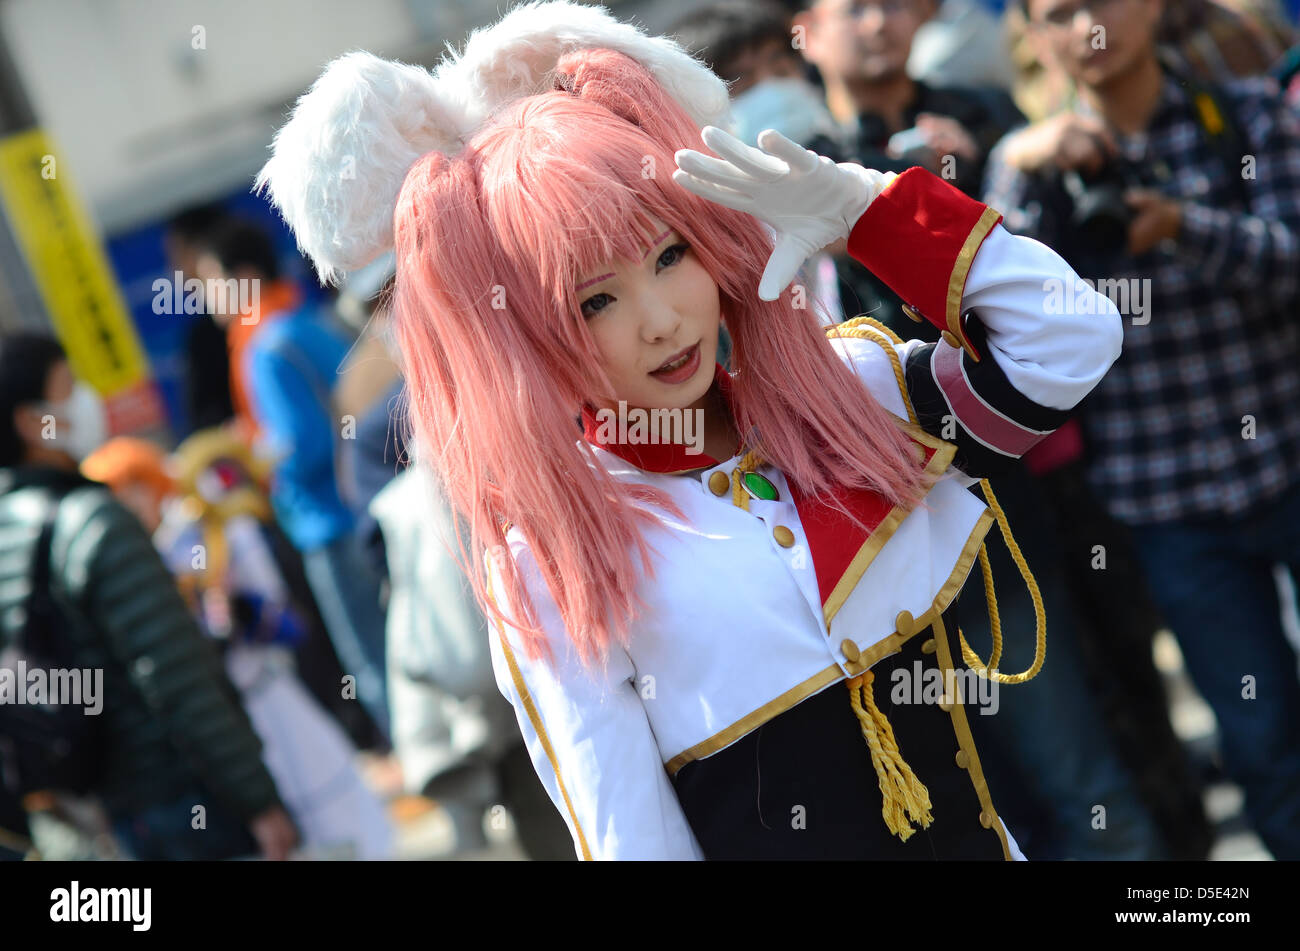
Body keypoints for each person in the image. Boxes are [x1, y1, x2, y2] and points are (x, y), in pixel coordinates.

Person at [256, 0, 1121, 860]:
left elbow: (1071, 338)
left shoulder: (847, 394)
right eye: (596, 299)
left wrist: (870, 209)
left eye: (672, 254)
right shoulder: (556, 554)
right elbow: (633, 838)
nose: (662, 319)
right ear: (528, 334)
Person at [985, 0, 1300, 860]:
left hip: (1288, 453)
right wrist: (1018, 171)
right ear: (1034, 37)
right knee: (1263, 741)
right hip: (1170, 509)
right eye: (1060, 12)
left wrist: (1184, 227)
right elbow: (1000, 324)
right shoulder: (1035, 167)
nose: (1092, 23)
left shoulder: (1245, 117)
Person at [0, 333, 297, 860]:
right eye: (68, 387)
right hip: (185, 795)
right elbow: (179, 677)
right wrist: (258, 800)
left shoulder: (11, 532)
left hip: (107, 809)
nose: (87, 401)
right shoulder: (96, 521)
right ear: (31, 423)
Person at [196, 220, 392, 742]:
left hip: (328, 523)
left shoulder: (265, 345)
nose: (203, 296)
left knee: (374, 662)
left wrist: (245, 462)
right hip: (371, 501)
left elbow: (299, 446)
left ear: (242, 277)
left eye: (211, 280)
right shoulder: (307, 322)